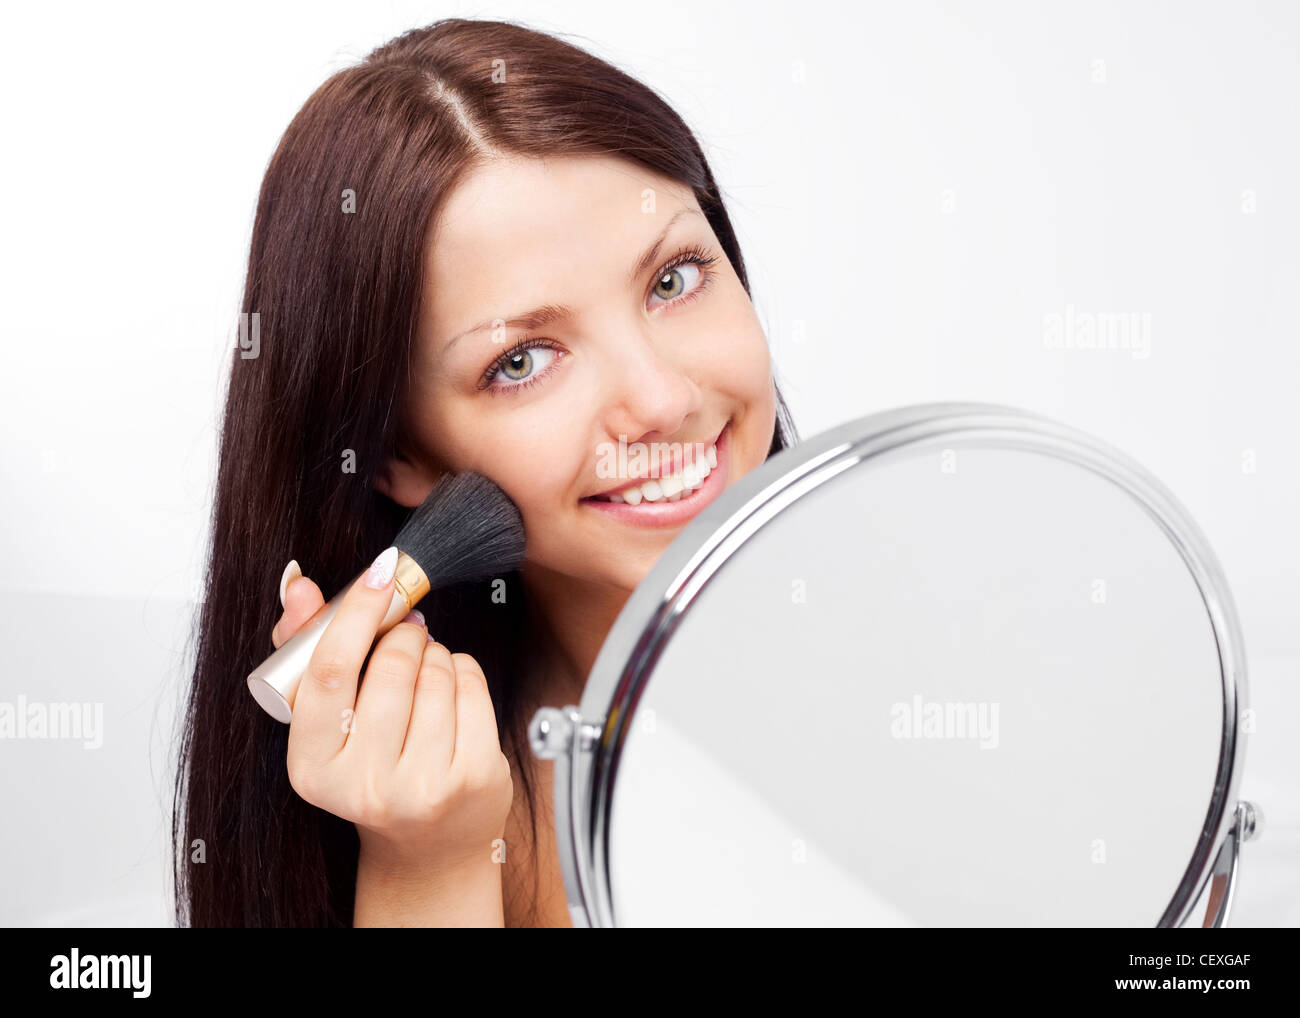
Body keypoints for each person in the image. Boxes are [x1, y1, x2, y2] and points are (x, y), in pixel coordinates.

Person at [174, 16, 797, 928]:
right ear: (402, 457)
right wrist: (427, 874)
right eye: (523, 360)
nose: (660, 399)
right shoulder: (450, 819)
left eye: (673, 279)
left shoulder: (949, 668)